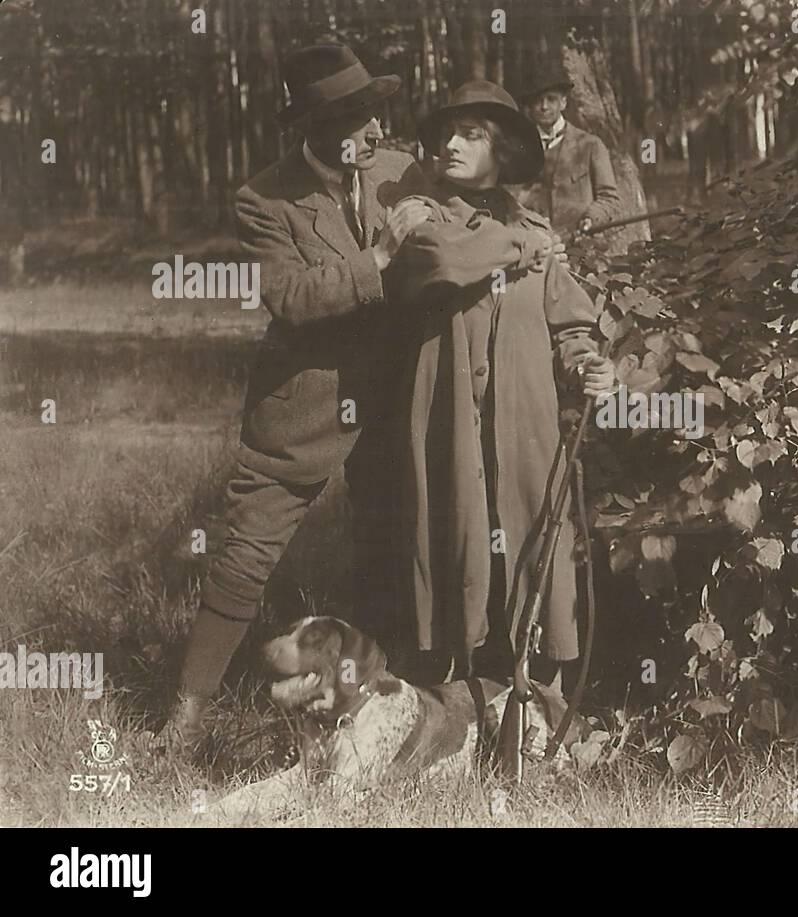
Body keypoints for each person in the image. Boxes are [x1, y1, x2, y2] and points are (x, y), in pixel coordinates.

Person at [164, 46, 559, 754]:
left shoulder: (399, 169)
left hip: (401, 399)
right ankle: (186, 717)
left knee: (394, 545)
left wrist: (527, 242)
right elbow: (289, 296)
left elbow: (479, 212)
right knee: (246, 551)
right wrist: (377, 259)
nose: (371, 129)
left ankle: (387, 704)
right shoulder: (265, 197)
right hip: (305, 406)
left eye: (373, 111)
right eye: (351, 117)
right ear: (312, 126)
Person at [390, 80, 616, 687]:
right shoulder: (418, 215)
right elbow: (441, 260)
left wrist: (587, 362)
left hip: (525, 429)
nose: (450, 145)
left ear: (506, 151)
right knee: (452, 547)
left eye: (471, 134)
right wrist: (525, 246)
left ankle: (536, 699)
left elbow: (569, 322)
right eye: (445, 135)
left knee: (532, 545)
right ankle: (449, 701)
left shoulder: (535, 226)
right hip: (447, 426)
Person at [512, 65, 621, 236]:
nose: (544, 106)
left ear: (563, 102)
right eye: (538, 100)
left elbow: (609, 199)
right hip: (535, 245)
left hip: (581, 244)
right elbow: (512, 200)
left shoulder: (590, 145)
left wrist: (591, 218)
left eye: (551, 99)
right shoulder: (519, 149)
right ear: (530, 106)